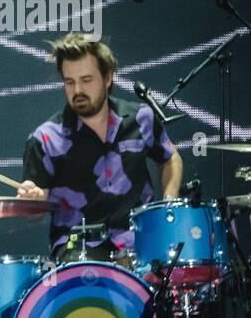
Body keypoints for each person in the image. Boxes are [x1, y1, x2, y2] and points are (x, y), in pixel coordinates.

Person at [18, 34, 182, 261]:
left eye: (86, 80)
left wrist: (169, 202)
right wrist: (32, 201)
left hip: (140, 241)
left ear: (108, 78)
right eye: (69, 82)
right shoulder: (45, 138)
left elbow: (170, 157)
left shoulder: (141, 118)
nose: (77, 91)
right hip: (77, 247)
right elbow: (35, 211)